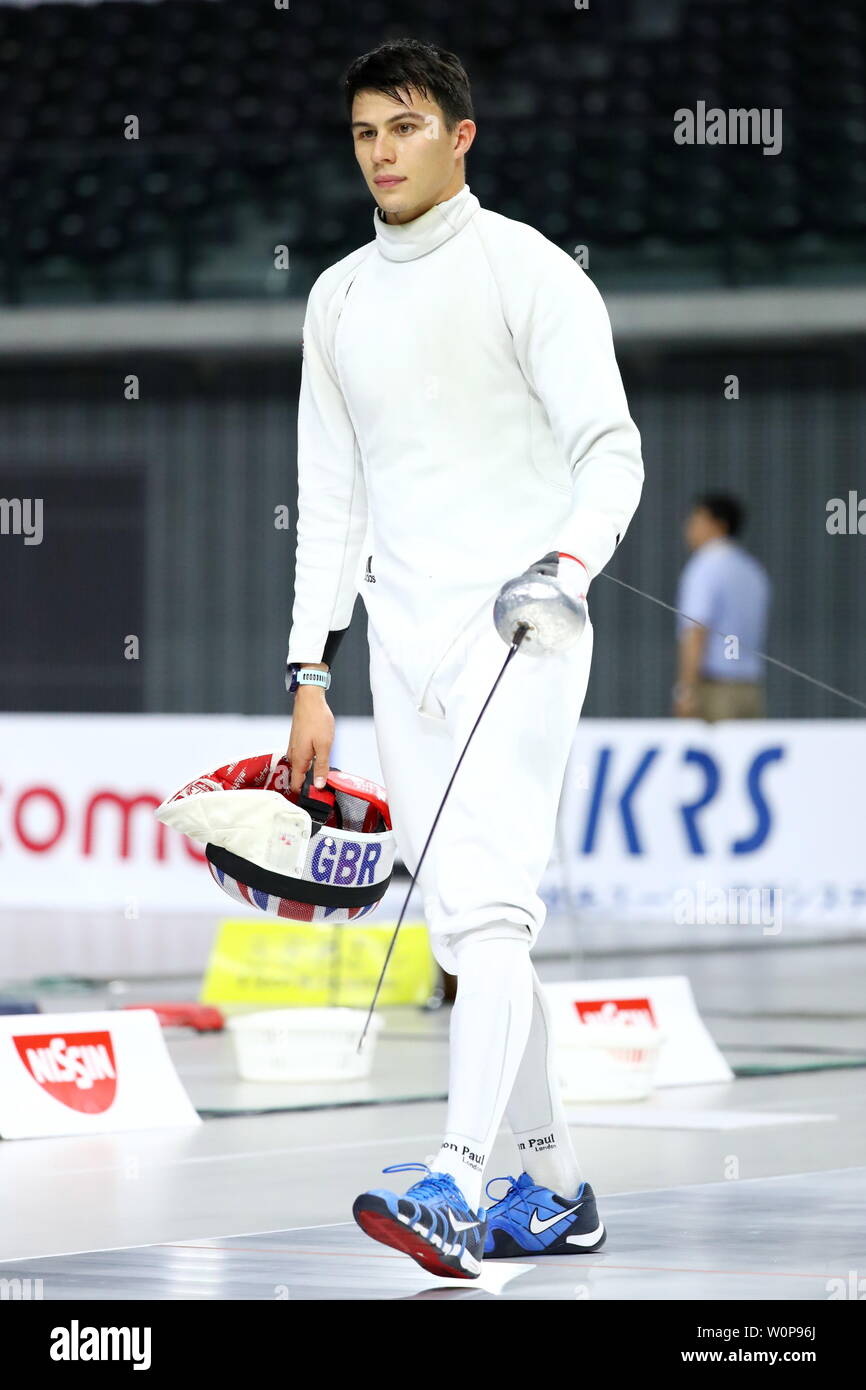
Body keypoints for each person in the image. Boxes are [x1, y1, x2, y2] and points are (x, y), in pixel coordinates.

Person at [284, 38, 643, 1279]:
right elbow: (326, 501)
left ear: (460, 135)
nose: (380, 150)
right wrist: (308, 671)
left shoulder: (526, 271)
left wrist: (563, 567)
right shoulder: (334, 299)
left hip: (520, 630)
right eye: (363, 133)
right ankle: (552, 1188)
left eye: (403, 126)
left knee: (489, 906)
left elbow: (610, 449)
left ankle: (456, 1177)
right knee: (457, 932)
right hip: (400, 644)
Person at [673, 494, 771, 722]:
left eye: (697, 519)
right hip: (750, 689)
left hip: (715, 692)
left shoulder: (705, 566)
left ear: (718, 525)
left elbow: (696, 630)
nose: (689, 527)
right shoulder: (752, 570)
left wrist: (686, 691)